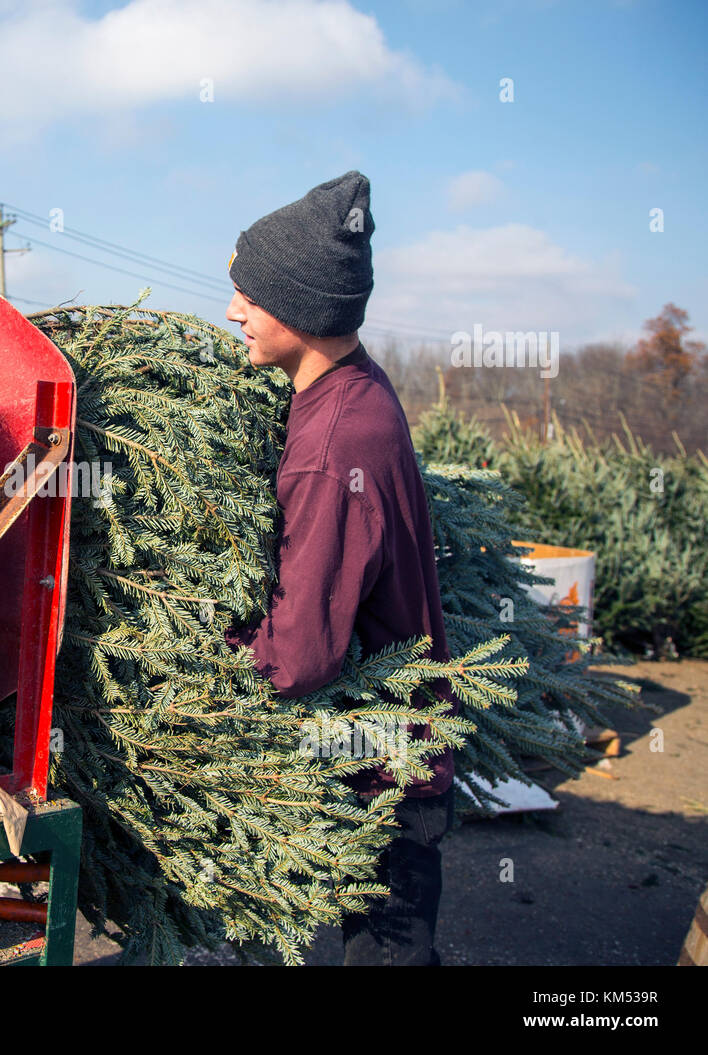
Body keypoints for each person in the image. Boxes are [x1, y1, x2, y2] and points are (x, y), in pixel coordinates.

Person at [223, 170, 457, 966]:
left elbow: (300, 657)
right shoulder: (346, 387)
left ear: (304, 306)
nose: (233, 312)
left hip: (386, 764)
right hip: (389, 749)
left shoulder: (336, 445)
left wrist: (217, 649)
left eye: (250, 296)